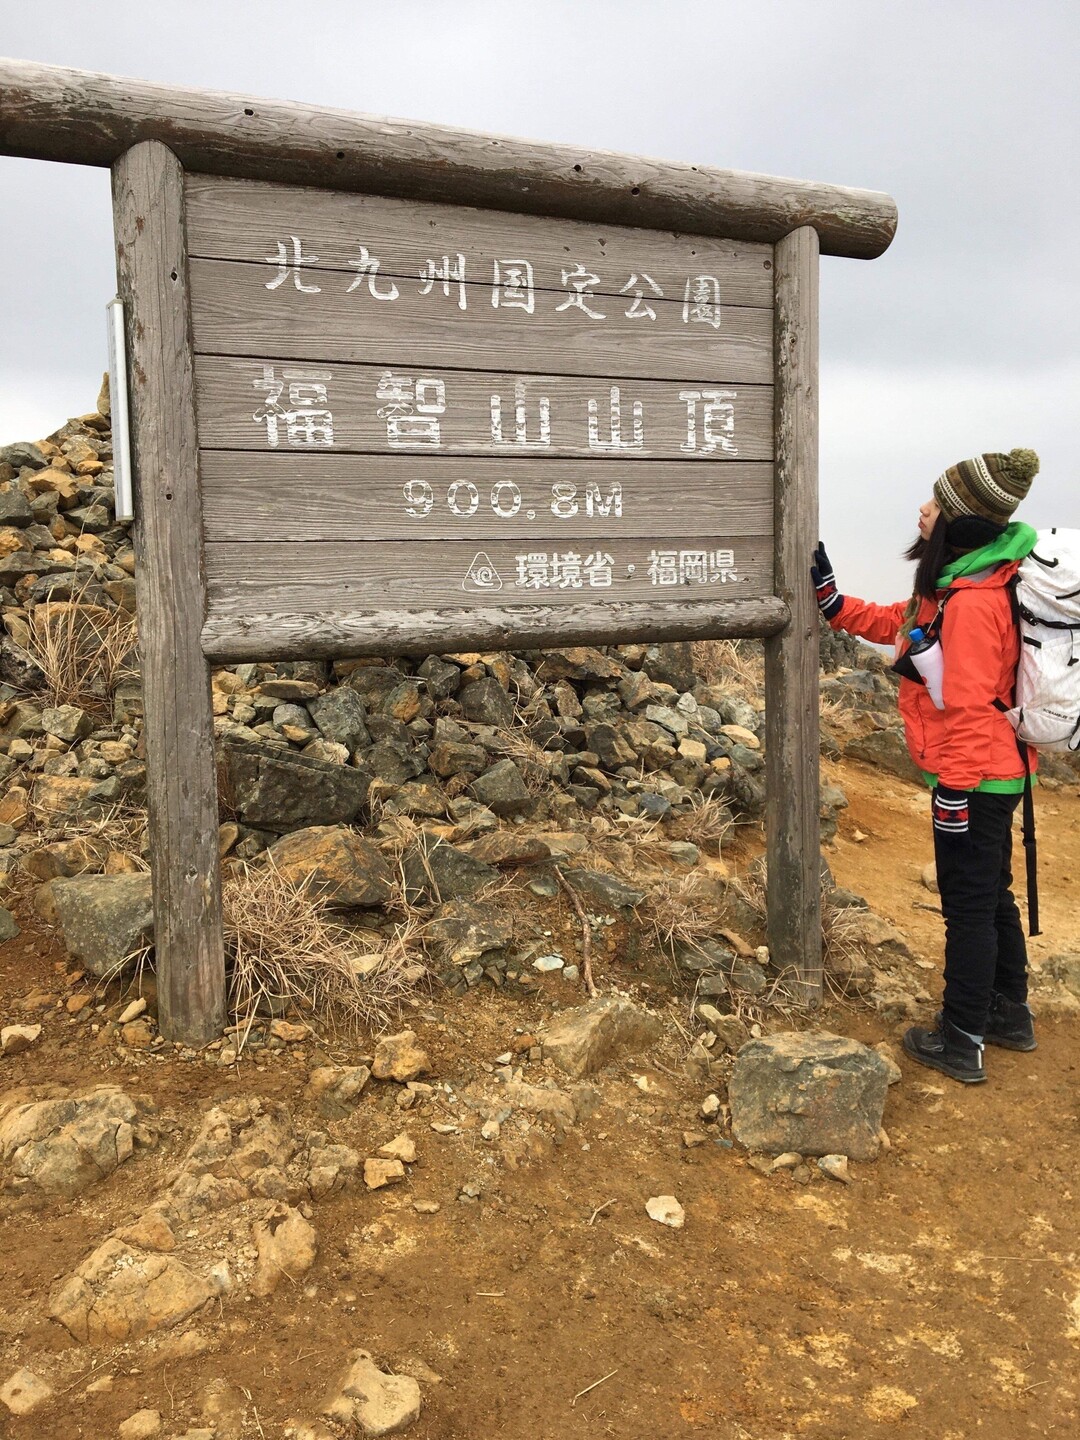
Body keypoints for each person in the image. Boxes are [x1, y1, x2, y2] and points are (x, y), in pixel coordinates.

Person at [811, 448, 1041, 1084]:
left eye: (935, 502)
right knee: (990, 893)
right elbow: (898, 623)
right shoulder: (968, 582)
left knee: (967, 904)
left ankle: (961, 1039)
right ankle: (1008, 1013)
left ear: (960, 520)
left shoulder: (973, 601)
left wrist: (955, 793)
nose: (922, 508)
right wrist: (833, 602)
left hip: (976, 772)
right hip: (999, 768)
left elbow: (964, 704)